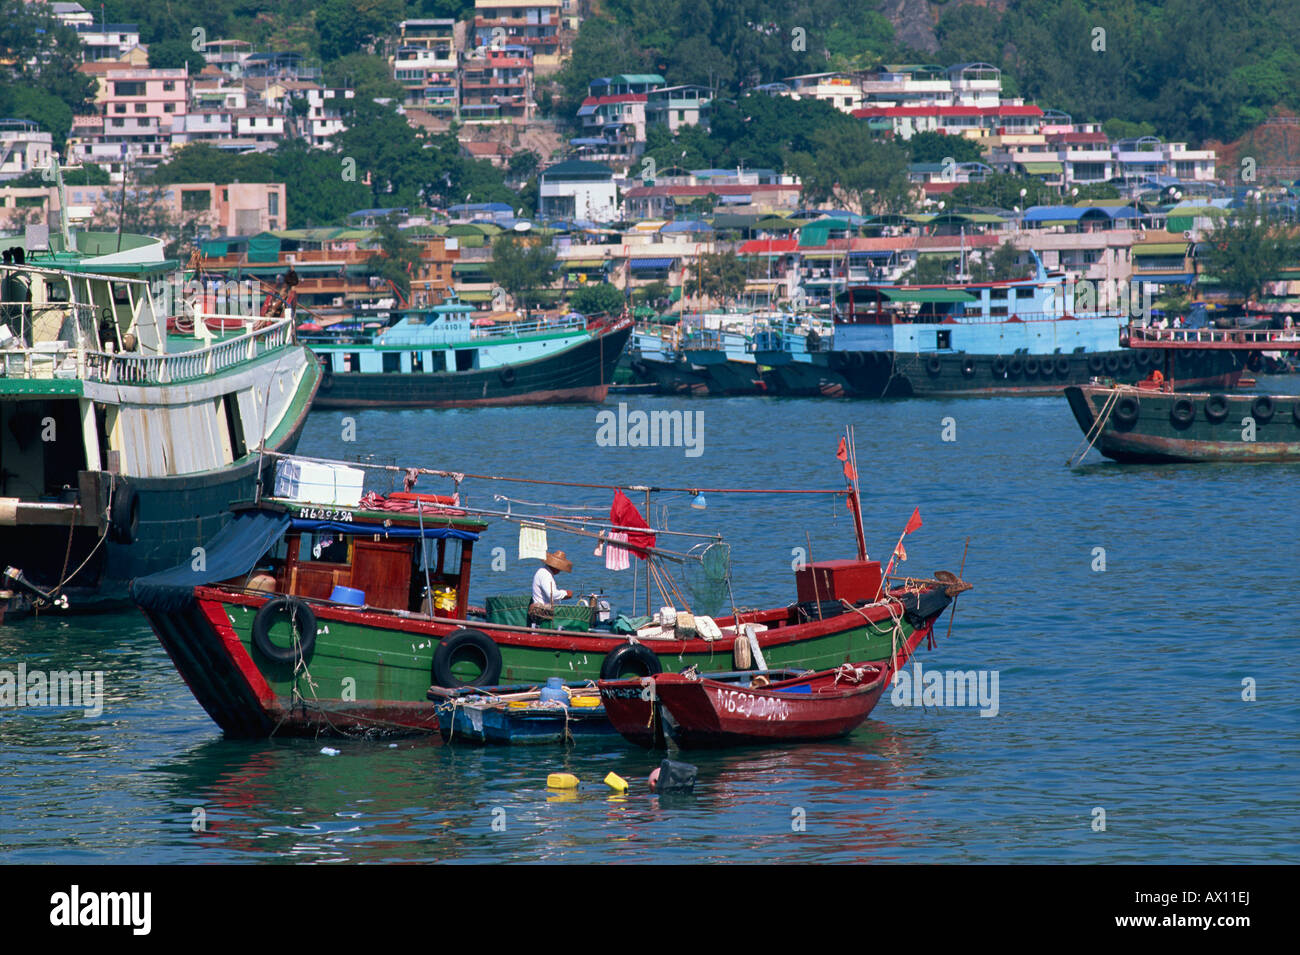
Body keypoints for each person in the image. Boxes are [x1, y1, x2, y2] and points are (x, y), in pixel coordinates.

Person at [529, 550, 573, 627]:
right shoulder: (545, 574)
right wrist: (566, 593)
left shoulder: (545, 572)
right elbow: (552, 595)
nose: (560, 571)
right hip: (543, 612)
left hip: (544, 610)